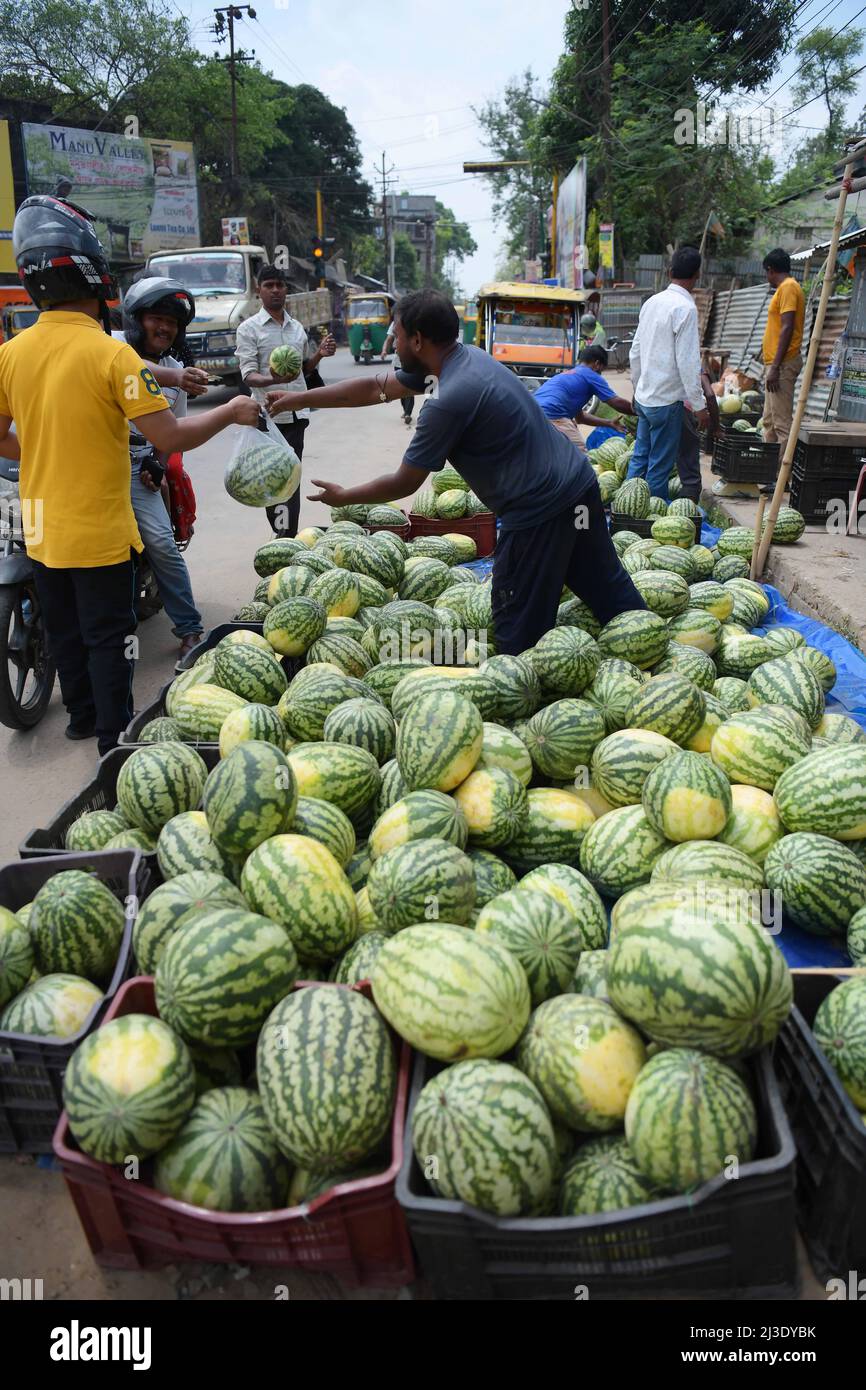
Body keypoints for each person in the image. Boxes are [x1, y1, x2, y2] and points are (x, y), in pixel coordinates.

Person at [0, 195, 261, 754]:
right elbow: (170, 437)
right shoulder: (111, 357)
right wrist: (231, 410)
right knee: (110, 637)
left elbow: (1, 437)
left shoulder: (11, 353)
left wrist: (44, 451)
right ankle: (111, 739)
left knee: (64, 630)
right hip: (98, 527)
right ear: (94, 279)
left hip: (40, 525)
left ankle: (78, 718)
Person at [265, 289, 645, 655]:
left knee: (516, 624)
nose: (392, 345)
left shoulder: (448, 400)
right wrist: (301, 398)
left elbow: (405, 482)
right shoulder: (465, 359)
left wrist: (345, 496)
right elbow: (374, 388)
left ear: (417, 341)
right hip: (577, 486)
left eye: (396, 336)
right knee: (608, 590)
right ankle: (655, 660)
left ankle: (523, 702)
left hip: (539, 512)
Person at [117, 276, 209, 660]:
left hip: (137, 464)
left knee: (160, 543)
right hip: (92, 458)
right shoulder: (112, 347)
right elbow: (122, 367)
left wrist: (156, 461)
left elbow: (175, 430)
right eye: (157, 318)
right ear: (135, 319)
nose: (166, 328)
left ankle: (189, 628)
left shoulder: (176, 372)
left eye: (173, 323)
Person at [235, 265, 336, 536]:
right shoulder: (249, 329)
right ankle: (284, 535)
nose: (276, 290)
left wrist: (320, 356)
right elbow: (248, 376)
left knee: (292, 479)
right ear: (259, 291)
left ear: (286, 289)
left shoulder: (297, 329)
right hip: (268, 418)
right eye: (269, 285)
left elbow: (303, 371)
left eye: (280, 285)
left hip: (296, 416)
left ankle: (286, 537)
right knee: (275, 478)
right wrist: (273, 379)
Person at [626, 246, 708, 501]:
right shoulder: (686, 308)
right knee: (659, 467)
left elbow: (635, 351)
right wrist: (699, 405)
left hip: (645, 398)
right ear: (697, 274)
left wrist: (637, 387)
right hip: (666, 403)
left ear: (670, 271)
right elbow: (688, 363)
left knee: (640, 458)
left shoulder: (652, 302)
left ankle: (625, 509)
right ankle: (651, 517)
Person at [760, 247, 805, 492]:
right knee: (768, 421)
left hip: (783, 364)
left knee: (781, 423)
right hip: (776, 364)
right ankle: (770, 474)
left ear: (770, 270)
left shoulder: (787, 287)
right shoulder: (787, 288)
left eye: (766, 273)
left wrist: (775, 366)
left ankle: (781, 478)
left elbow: (787, 327)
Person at [533, 344, 635, 446]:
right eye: (601, 371)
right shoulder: (591, 375)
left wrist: (609, 423)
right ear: (597, 364)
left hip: (531, 413)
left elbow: (580, 418)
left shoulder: (570, 375)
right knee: (579, 456)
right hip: (554, 415)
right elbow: (616, 402)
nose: (600, 374)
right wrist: (640, 410)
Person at [677, 366, 720, 503]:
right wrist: (716, 427)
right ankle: (688, 505)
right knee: (689, 463)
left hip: (659, 406)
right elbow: (710, 396)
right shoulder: (696, 367)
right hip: (681, 411)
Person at [383, 313, 414, 427]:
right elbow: (389, 339)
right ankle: (405, 410)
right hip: (398, 361)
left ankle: (408, 413)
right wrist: (384, 350)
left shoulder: (413, 323)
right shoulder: (394, 325)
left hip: (411, 360)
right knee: (401, 386)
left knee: (410, 387)